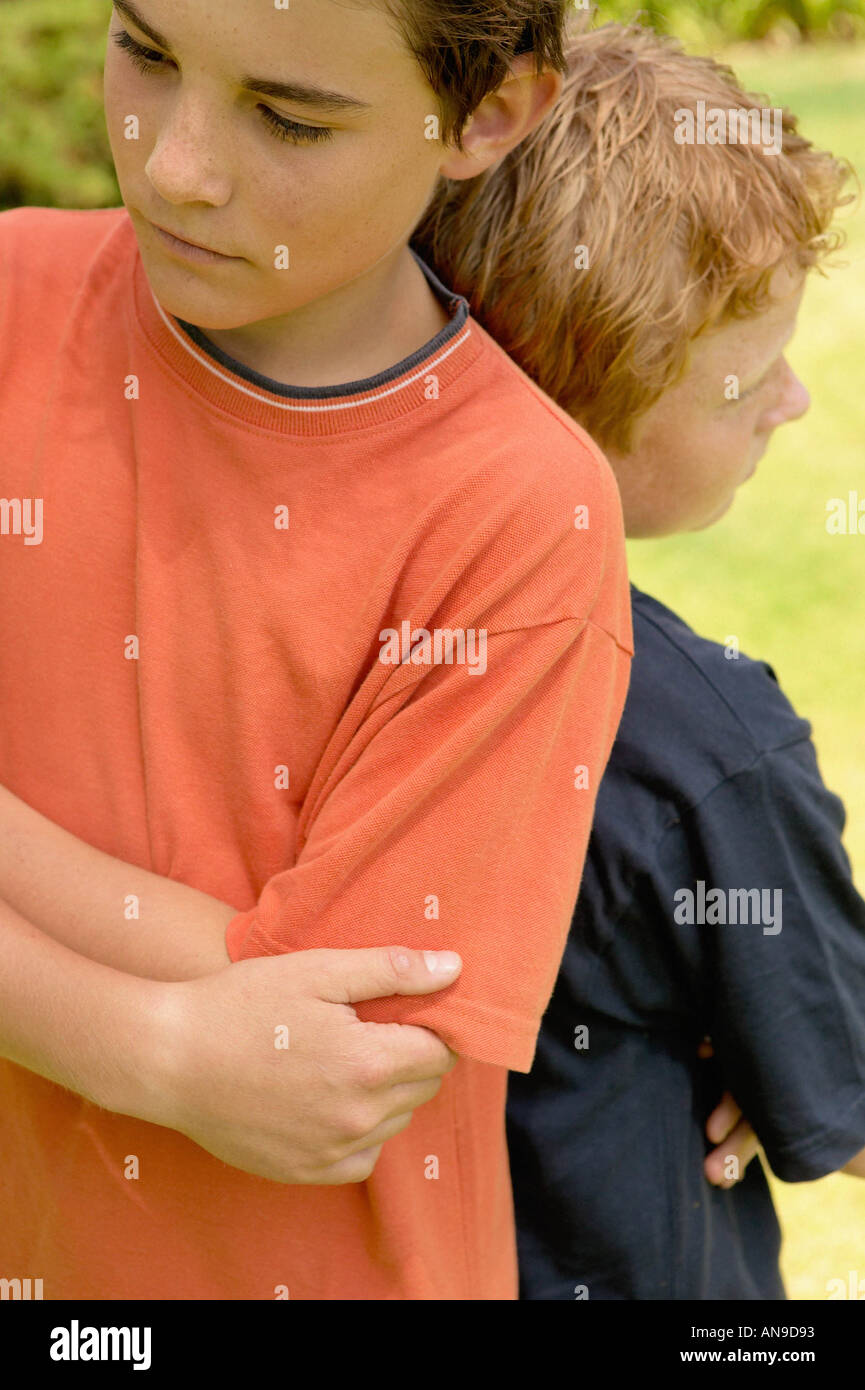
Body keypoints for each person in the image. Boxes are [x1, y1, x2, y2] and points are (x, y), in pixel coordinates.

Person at [0, 1, 633, 1299]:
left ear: (492, 114)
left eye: (289, 116)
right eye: (147, 53)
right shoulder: (11, 295)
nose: (176, 164)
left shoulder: (516, 511)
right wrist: (158, 1045)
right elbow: (241, 1029)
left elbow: (343, 1057)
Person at [412, 20, 865, 1299]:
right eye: (747, 375)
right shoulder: (708, 749)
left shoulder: (343, 630)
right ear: (586, 409)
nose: (792, 400)